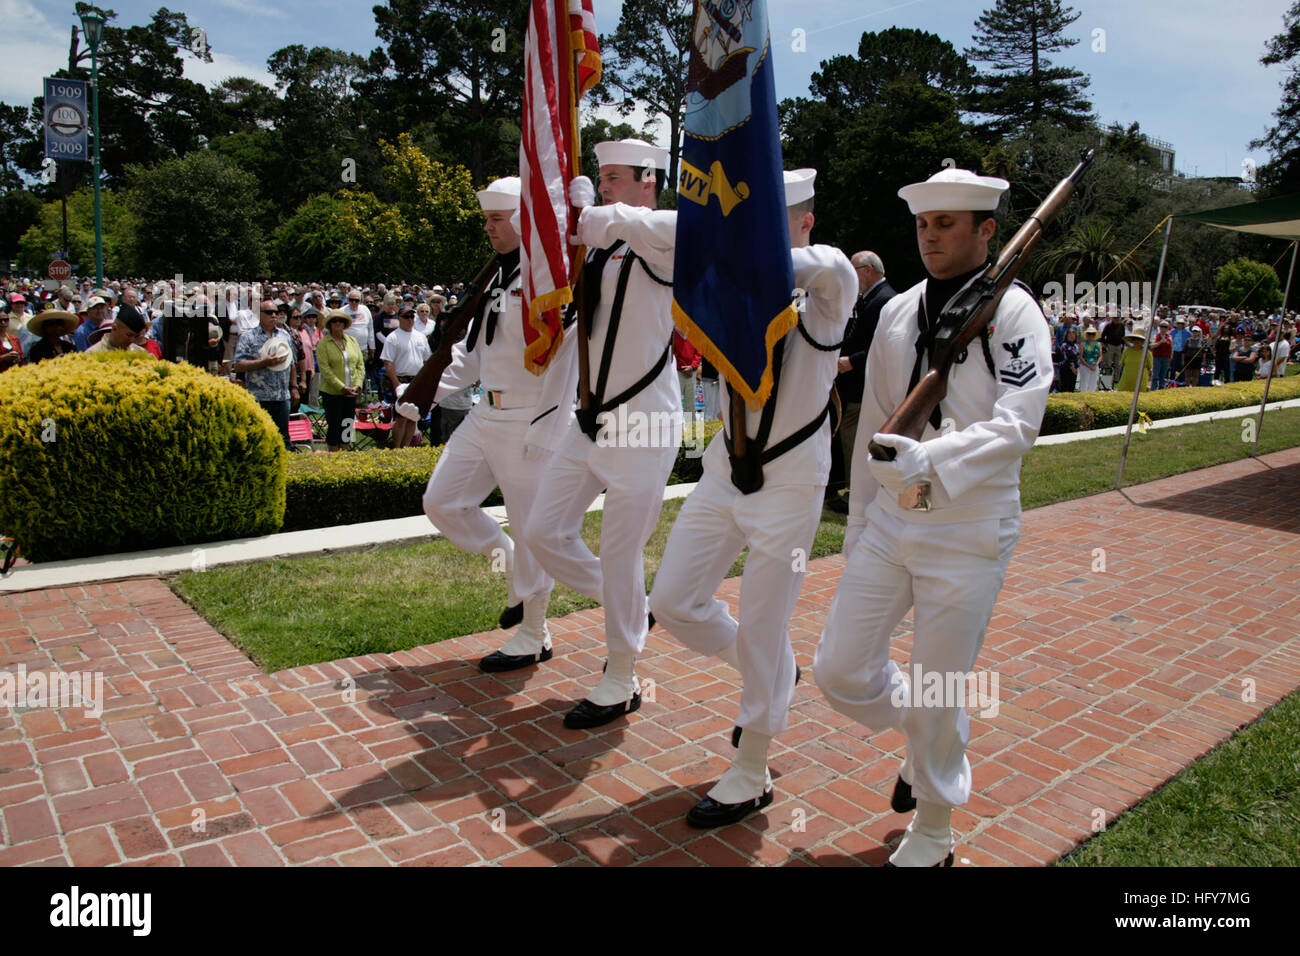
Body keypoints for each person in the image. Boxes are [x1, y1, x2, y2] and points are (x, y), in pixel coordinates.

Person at [813, 167, 1052, 867]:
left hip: (969, 529)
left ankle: (935, 830)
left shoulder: (1015, 311)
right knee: (840, 670)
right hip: (891, 523)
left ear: (986, 230)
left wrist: (934, 459)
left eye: (947, 224)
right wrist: (859, 523)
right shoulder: (896, 310)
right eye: (923, 224)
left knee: (940, 686)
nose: (932, 236)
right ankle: (927, 736)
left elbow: (1019, 423)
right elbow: (875, 435)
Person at [649, 168, 856, 828]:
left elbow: (819, 270)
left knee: (766, 625)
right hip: (725, 468)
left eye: (779, 219)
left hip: (791, 482)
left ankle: (752, 768)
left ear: (805, 222)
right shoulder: (724, 281)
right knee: (674, 601)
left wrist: (738, 246)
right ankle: (773, 671)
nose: (763, 235)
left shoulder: (829, 284)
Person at [519, 139, 681, 729]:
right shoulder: (600, 246)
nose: (605, 184)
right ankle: (631, 603)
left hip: (642, 421)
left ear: (648, 182)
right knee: (542, 531)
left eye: (615, 177)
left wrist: (595, 215)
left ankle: (621, 675)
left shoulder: (661, 238)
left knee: (620, 550)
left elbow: (675, 229)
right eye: (600, 176)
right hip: (588, 420)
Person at [416, 176, 569, 673]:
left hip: (529, 415)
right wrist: (411, 401)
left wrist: (548, 425)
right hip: (486, 412)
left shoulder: (546, 283)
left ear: (524, 222)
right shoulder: (497, 276)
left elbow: (564, 361)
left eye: (497, 219)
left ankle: (534, 632)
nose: (488, 228)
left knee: (531, 530)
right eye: (487, 219)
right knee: (442, 501)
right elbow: (473, 357)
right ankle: (504, 557)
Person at [831, 251, 896, 513]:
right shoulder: (869, 299)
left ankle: (859, 492)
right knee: (849, 440)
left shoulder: (884, 300)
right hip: (852, 387)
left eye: (853, 269)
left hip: (861, 385)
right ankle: (852, 488)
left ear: (867, 270)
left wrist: (851, 362)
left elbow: (883, 347)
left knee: (855, 440)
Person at [233, 298, 296, 450]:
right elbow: (238, 365)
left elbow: (292, 363)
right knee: (258, 439)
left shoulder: (285, 335)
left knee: (283, 439)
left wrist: (294, 387)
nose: (274, 315)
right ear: (259, 315)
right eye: (269, 312)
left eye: (276, 312)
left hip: (282, 396)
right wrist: (263, 363)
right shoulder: (248, 337)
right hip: (258, 397)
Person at [381, 307, 432, 447]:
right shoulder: (393, 337)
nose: (410, 320)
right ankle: (397, 447)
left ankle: (407, 446)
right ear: (399, 318)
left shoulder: (420, 336)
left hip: (417, 379)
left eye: (412, 317)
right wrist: (396, 384)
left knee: (412, 417)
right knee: (401, 417)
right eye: (406, 317)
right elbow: (388, 362)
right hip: (400, 379)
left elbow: (427, 360)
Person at [316, 309, 365, 452]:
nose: (338, 324)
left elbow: (360, 365)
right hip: (332, 393)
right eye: (334, 321)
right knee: (334, 425)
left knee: (348, 424)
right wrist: (341, 387)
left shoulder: (352, 341)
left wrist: (357, 385)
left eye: (340, 321)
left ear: (345, 324)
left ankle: (344, 454)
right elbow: (325, 370)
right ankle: (333, 456)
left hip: (352, 392)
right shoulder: (323, 344)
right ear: (329, 325)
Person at [1116, 326, 1153, 392]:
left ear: (1143, 341)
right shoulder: (1127, 351)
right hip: (1126, 382)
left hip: (1140, 384)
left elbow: (1150, 369)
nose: (1136, 341)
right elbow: (1122, 365)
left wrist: (1149, 383)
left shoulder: (1147, 353)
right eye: (1134, 339)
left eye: (1139, 339)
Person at [1077, 325, 1101, 392]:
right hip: (1085, 366)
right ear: (1087, 335)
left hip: (1095, 366)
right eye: (1089, 334)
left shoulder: (1098, 344)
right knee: (1084, 385)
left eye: (1093, 334)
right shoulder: (1083, 344)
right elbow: (1081, 357)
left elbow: (1100, 356)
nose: (1091, 336)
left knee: (1093, 385)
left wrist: (1095, 365)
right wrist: (1089, 366)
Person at [1058, 325, 1081, 392]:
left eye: (1073, 334)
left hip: (1074, 371)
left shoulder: (1076, 346)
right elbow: (1064, 358)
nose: (1072, 336)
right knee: (1065, 388)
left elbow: (1078, 357)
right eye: (1070, 334)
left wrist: (1076, 367)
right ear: (1067, 336)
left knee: (1072, 388)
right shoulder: (1064, 345)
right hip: (1066, 369)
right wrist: (1072, 367)